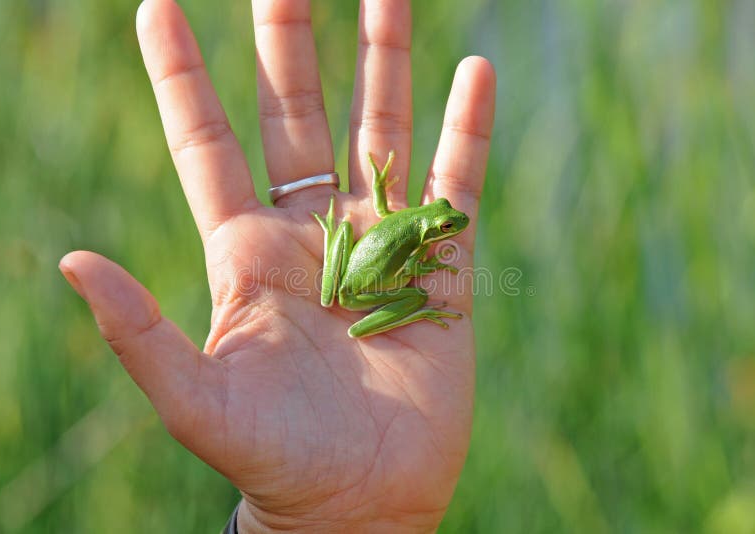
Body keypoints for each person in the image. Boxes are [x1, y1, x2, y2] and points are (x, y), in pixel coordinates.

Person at [58, 0, 495, 531]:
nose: (452, 225)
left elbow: (382, 210)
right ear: (431, 226)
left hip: (345, 271)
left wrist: (376, 187)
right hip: (360, 295)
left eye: (447, 222)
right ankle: (406, 305)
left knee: (354, 245)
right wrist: (414, 265)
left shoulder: (409, 216)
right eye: (445, 224)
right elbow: (401, 266)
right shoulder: (420, 233)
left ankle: (340, 242)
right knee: (421, 296)